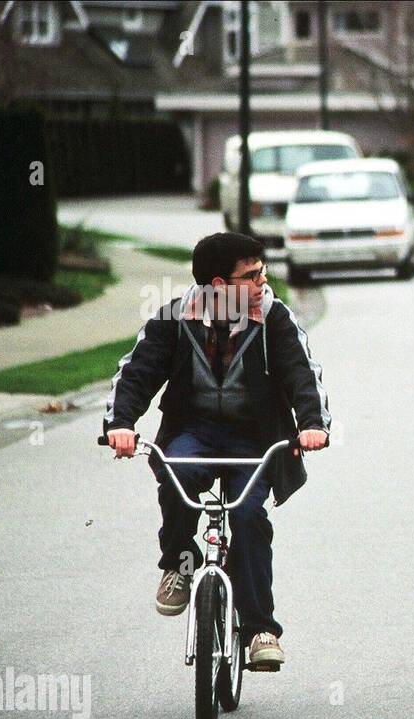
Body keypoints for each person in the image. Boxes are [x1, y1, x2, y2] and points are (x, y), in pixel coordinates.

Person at [103, 232, 331, 669]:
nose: (263, 281)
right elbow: (136, 372)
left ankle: (261, 629)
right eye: (251, 275)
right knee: (176, 473)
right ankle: (178, 564)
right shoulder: (174, 319)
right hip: (196, 430)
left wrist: (312, 425)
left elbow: (303, 375)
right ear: (218, 286)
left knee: (248, 518)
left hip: (254, 437)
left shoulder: (274, 318)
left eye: (262, 271)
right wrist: (121, 424)